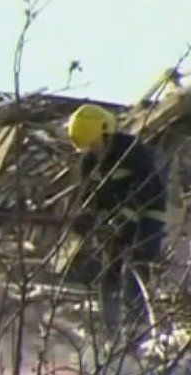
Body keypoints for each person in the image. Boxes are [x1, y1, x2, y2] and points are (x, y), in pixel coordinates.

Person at [68, 103, 167, 335]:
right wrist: (86, 218)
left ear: (106, 133)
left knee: (136, 271)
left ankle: (139, 332)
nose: (92, 150)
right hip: (115, 223)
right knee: (108, 274)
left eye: (93, 143)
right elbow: (88, 198)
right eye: (87, 147)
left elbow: (148, 191)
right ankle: (110, 333)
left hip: (147, 218)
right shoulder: (90, 163)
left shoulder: (134, 153)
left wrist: (123, 219)